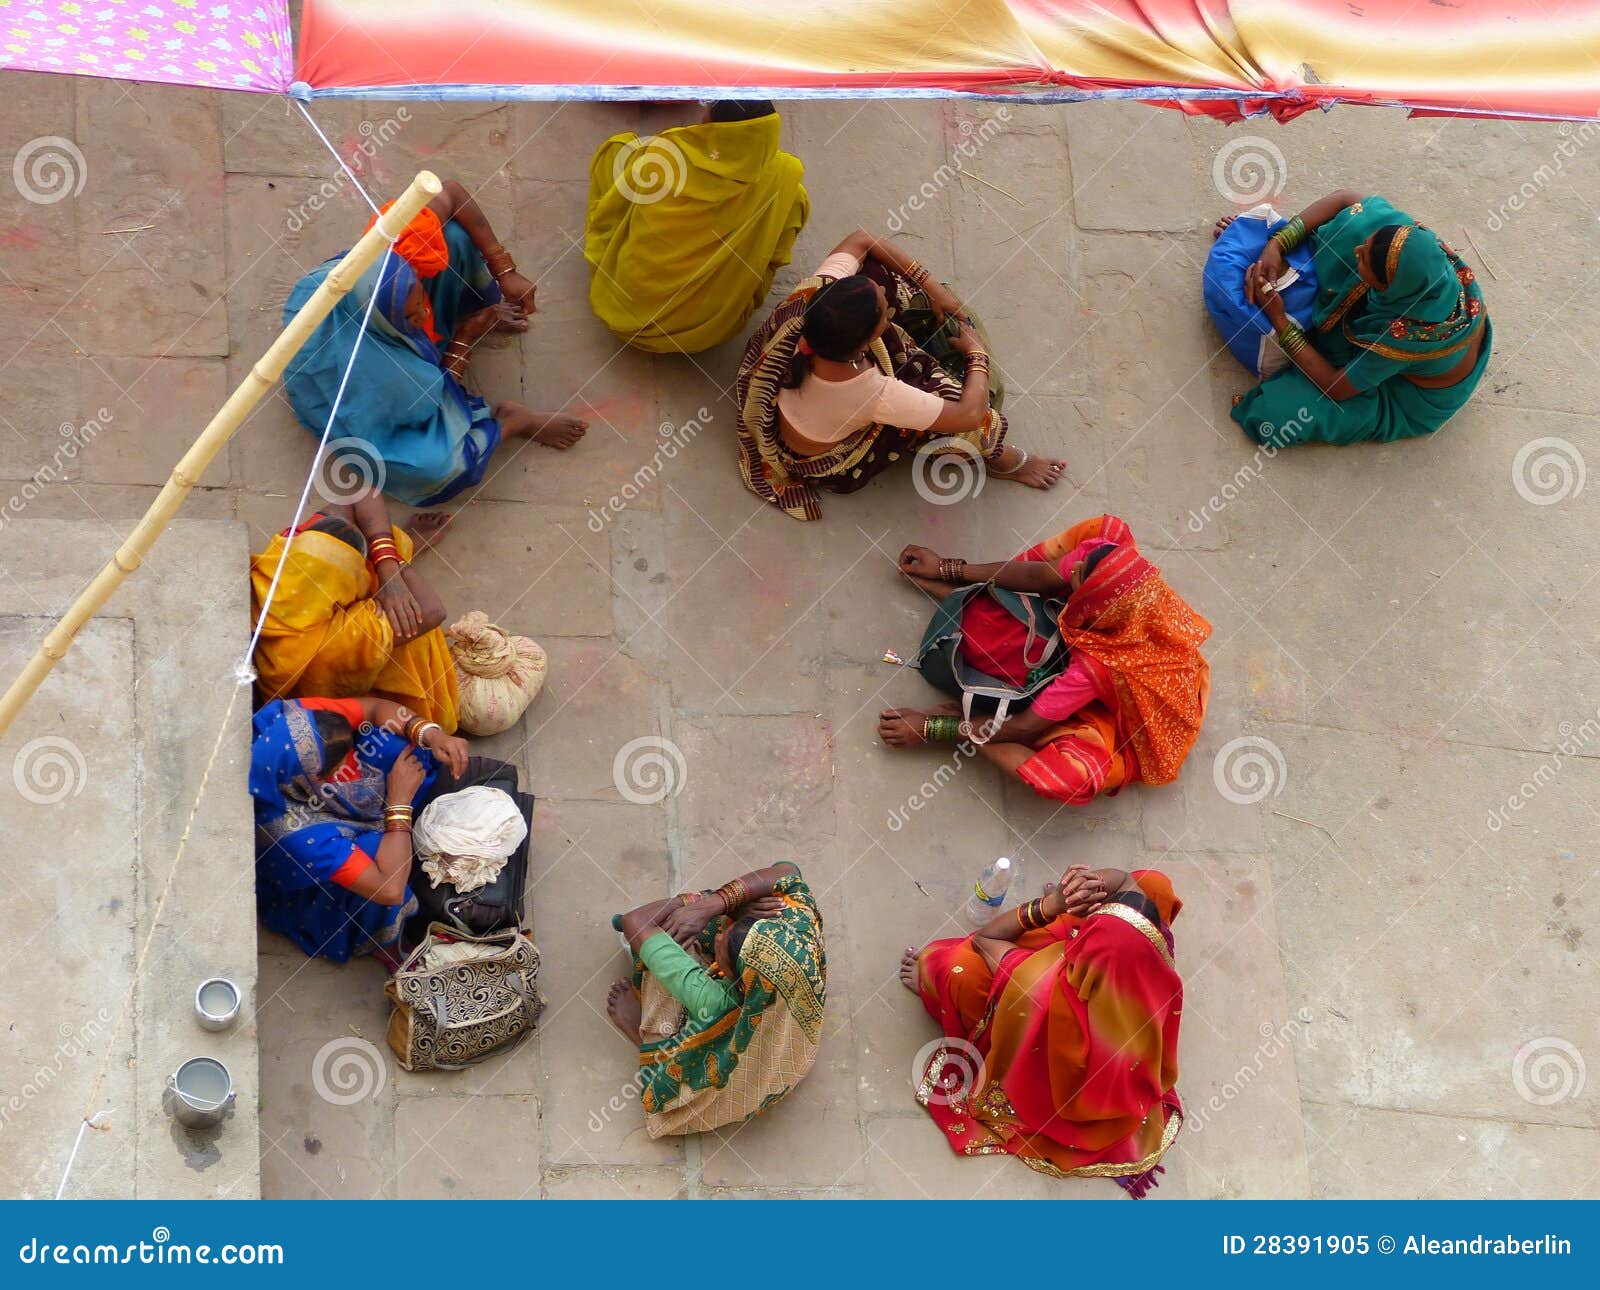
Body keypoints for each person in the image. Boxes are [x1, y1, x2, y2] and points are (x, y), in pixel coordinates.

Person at [283, 179, 587, 507]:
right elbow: (429, 403)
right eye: (414, 317)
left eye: (420, 301)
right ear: (385, 325)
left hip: (389, 339)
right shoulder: (384, 376)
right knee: (439, 467)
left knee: (452, 236)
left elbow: (450, 191)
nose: (425, 312)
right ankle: (512, 421)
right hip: (377, 406)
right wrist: (466, 335)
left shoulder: (384, 260)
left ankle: (475, 302)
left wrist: (505, 272)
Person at [736, 228, 1065, 520]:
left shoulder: (811, 301)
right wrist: (976, 354)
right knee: (974, 414)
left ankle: (908, 313)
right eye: (882, 315)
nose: (881, 296)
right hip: (833, 457)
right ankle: (1004, 462)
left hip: (817, 402)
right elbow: (968, 414)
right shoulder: (868, 391)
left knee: (875, 271)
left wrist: (933, 289)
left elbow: (862, 239)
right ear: (865, 342)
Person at [878, 515, 1211, 804]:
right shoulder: (1118, 571)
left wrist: (933, 728)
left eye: (1078, 578)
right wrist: (949, 569)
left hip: (1136, 725)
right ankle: (981, 599)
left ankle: (977, 717)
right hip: (1134, 655)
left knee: (1072, 778)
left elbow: (1024, 728)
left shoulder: (1096, 667)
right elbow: (1039, 577)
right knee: (1109, 528)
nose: (1075, 567)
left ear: (1095, 612)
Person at [902, 864, 1184, 1195]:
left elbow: (986, 937)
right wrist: (1085, 886)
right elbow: (1126, 881)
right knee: (1153, 883)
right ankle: (1089, 919)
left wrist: (1052, 906)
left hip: (1043, 1017)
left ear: (1080, 962)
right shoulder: (1154, 963)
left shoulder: (1040, 990)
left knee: (951, 967)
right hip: (1113, 1000)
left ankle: (936, 984)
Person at [1221, 190, 1490, 446]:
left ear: (1386, 288)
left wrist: (1279, 319)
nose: (1358, 250)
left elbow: (1336, 387)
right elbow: (1344, 199)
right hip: (1413, 328)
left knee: (1275, 415)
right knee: (1351, 228)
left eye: (1364, 260)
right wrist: (1276, 243)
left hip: (1409, 393)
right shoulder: (1407, 244)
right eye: (1367, 244)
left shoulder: (1403, 338)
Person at [607, 863, 825, 1136]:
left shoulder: (717, 1003)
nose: (720, 936)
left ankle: (643, 1035)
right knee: (744, 901)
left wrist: (695, 903)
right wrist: (721, 904)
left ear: (736, 978)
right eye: (737, 927)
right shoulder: (796, 928)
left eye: (723, 947)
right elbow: (787, 870)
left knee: (670, 938)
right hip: (785, 1036)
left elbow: (635, 922)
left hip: (724, 1062)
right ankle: (731, 918)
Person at [249, 695, 469, 966]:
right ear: (306, 779)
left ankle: (417, 801)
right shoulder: (297, 836)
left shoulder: (302, 721)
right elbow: (389, 890)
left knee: (392, 744)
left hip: (335, 802)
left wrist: (432, 735)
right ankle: (376, 935)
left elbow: (375, 708)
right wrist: (399, 804)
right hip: (324, 885)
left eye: (351, 753)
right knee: (375, 854)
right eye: (343, 765)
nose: (354, 767)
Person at [585, 100, 809, 354]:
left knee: (618, 150)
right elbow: (776, 256)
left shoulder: (666, 156)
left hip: (625, 313)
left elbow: (609, 215)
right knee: (792, 203)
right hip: (713, 329)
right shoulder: (785, 179)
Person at [248, 488, 460, 732]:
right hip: (317, 680)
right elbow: (433, 611)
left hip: (315, 602)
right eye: (360, 567)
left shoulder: (286, 560)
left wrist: (386, 571)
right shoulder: (337, 642)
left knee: (366, 530)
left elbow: (361, 493)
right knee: (409, 621)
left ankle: (388, 552)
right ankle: (404, 548)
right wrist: (393, 564)